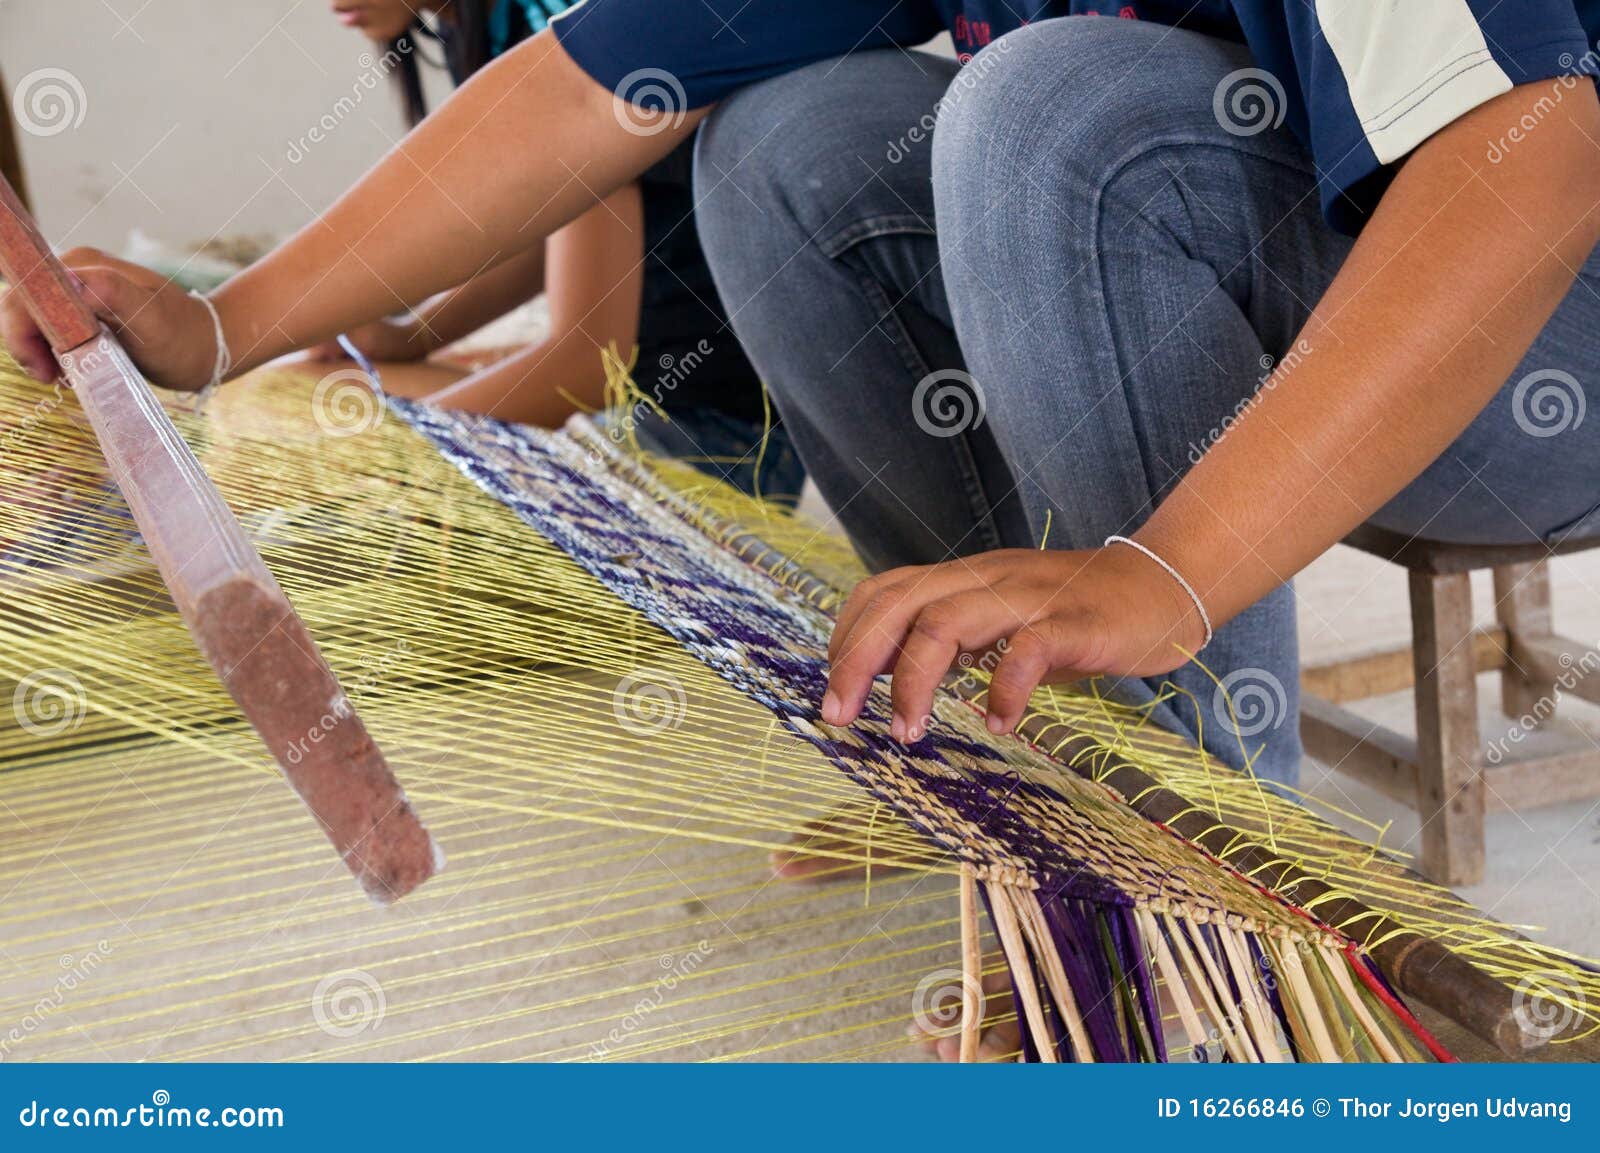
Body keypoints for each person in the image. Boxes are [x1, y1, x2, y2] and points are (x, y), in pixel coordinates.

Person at [7, 3, 1599, 1056]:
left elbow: (1531, 161)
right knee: (789, 141)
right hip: (1335, 303)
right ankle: (1024, 775)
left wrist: (1166, 571)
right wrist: (222, 332)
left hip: (1543, 343)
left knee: (1046, 111)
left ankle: (1201, 945)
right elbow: (592, 85)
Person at [315, 0, 804, 500]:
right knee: (322, 383)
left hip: (715, 434)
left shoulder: (572, 35)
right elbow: (558, 229)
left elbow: (590, 364)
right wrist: (411, 338)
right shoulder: (481, 28)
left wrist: (411, 455)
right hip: (627, 397)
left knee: (380, 491)